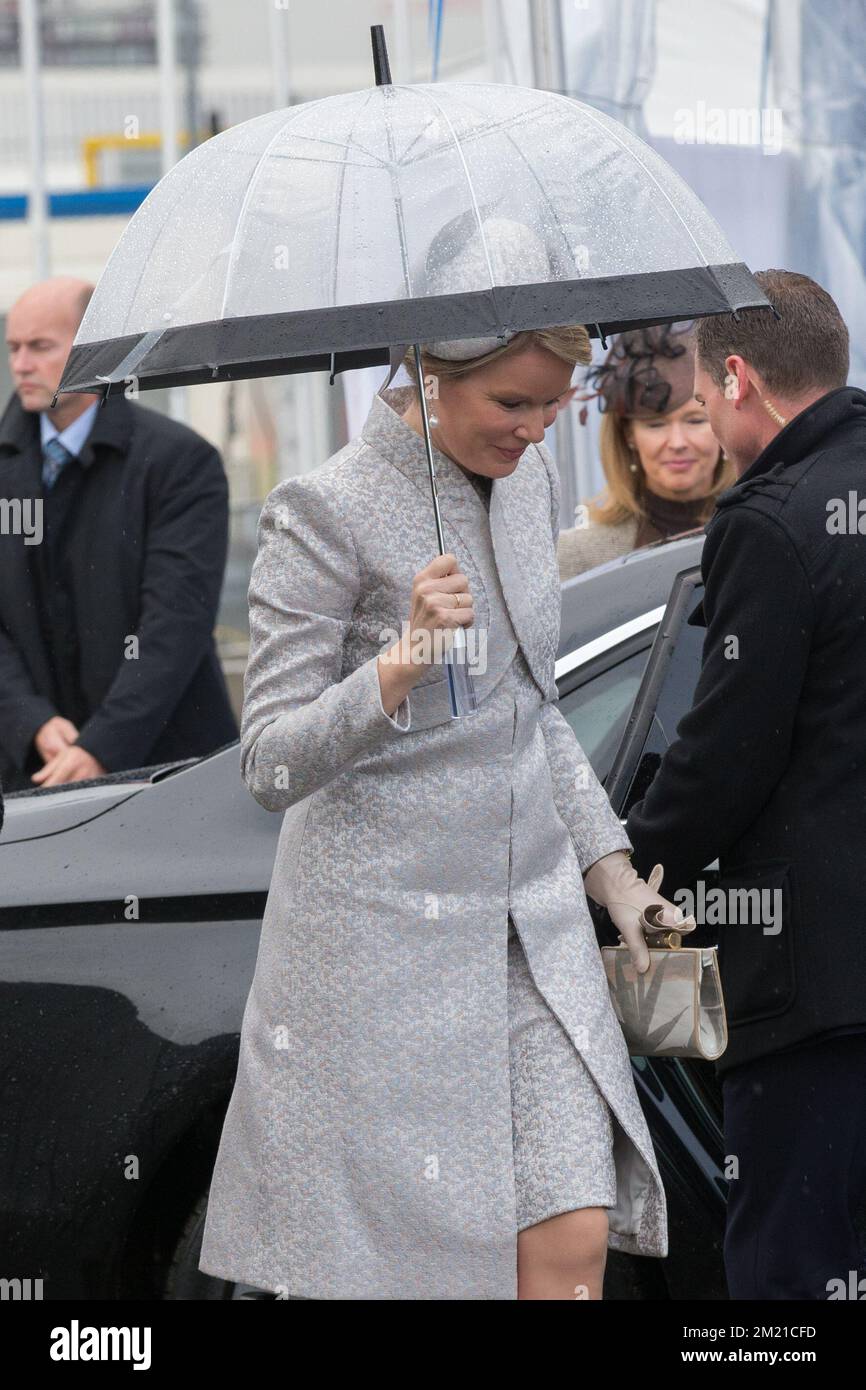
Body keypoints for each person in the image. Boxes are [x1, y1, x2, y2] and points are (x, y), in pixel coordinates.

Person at [197, 284, 697, 1299]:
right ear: (431, 371)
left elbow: (533, 710)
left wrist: (611, 878)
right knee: (419, 1273)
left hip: (530, 938)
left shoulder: (519, 493)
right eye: (511, 404)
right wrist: (399, 663)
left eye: (551, 408)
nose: (532, 430)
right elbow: (269, 763)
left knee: (570, 1238)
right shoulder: (321, 509)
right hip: (382, 958)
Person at [624, 269, 866, 1299]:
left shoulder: (768, 523)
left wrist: (622, 870)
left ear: (734, 377)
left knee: (789, 1276)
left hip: (814, 985)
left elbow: (724, 752)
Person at [0, 276, 238, 793]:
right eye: (13, 347)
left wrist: (101, 747)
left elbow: (175, 624)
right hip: (29, 780)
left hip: (170, 779)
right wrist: (28, 721)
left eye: (40, 347)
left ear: (95, 348)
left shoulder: (178, 464)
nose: (20, 365)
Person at [557, 323, 735, 579]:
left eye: (695, 421)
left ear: (721, 421)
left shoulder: (764, 529)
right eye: (656, 424)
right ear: (628, 435)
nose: (677, 442)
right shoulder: (579, 556)